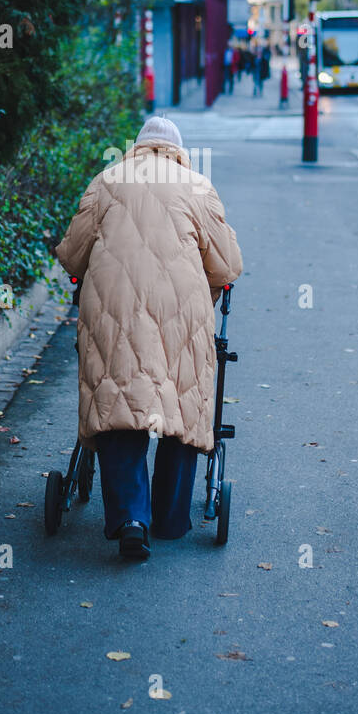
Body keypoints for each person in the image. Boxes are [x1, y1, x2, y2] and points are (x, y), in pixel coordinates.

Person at [56, 115, 243, 560]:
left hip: (113, 310)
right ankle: (172, 520)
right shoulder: (197, 185)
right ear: (178, 150)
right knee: (180, 407)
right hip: (183, 315)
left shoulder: (107, 181)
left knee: (120, 404)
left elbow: (72, 254)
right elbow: (227, 264)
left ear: (137, 148)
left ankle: (130, 519)